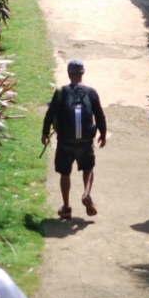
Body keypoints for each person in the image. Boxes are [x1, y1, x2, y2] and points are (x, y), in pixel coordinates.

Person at [41, 57, 107, 219]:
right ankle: (86, 193)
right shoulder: (91, 92)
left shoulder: (61, 92)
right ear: (82, 73)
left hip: (65, 140)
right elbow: (99, 115)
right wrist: (103, 134)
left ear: (68, 73)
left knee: (65, 173)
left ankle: (66, 207)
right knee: (88, 167)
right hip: (85, 141)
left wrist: (45, 133)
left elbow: (50, 114)